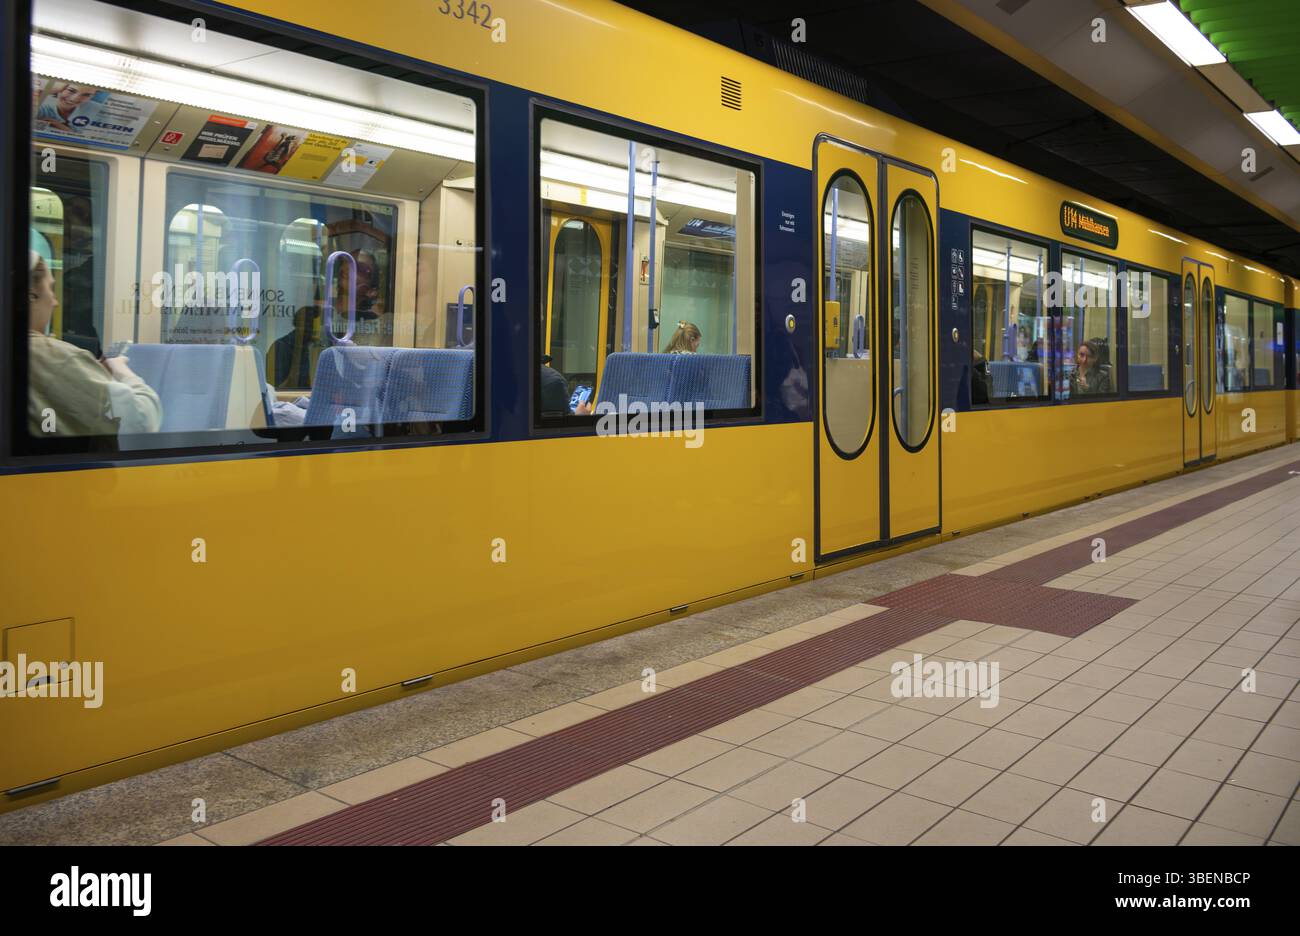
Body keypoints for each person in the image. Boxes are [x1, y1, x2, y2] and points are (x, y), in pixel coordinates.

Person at [27, 251, 162, 437]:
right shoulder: (58, 358)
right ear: (32, 295)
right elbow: (143, 419)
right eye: (51, 289)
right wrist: (121, 371)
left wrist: (89, 373)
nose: (55, 302)